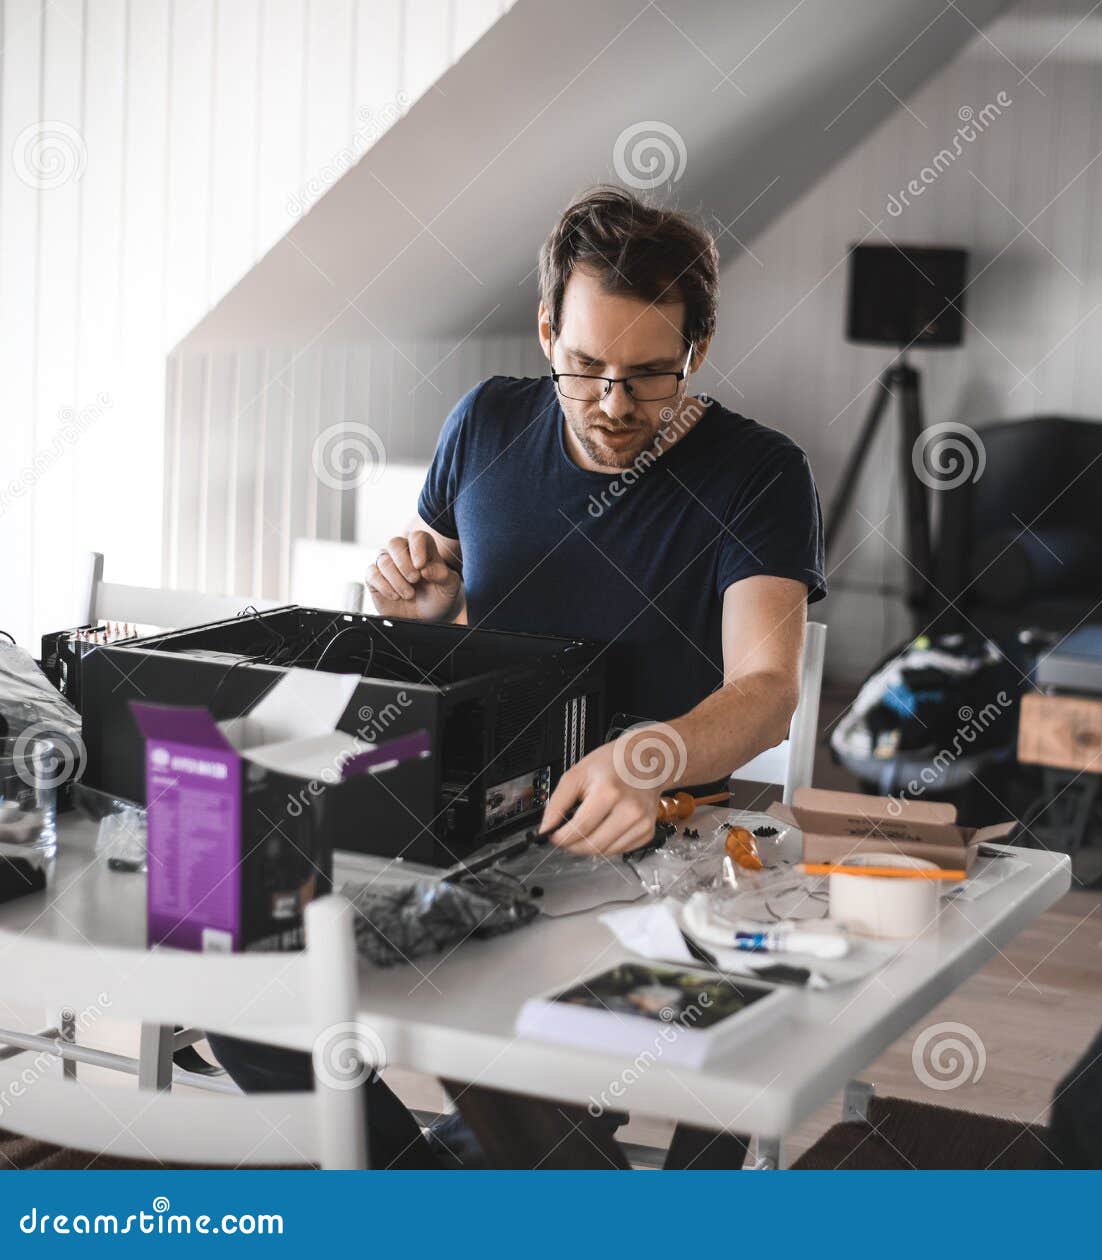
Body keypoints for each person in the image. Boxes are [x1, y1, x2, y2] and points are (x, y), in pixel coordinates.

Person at [208, 186, 826, 1169]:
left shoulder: (759, 472)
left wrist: (647, 756)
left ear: (697, 351)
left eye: (649, 376)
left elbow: (767, 686)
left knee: (524, 1065)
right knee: (243, 993)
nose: (614, 406)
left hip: (651, 854)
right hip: (471, 826)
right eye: (586, 369)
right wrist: (421, 617)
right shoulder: (484, 424)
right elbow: (449, 629)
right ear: (546, 333)